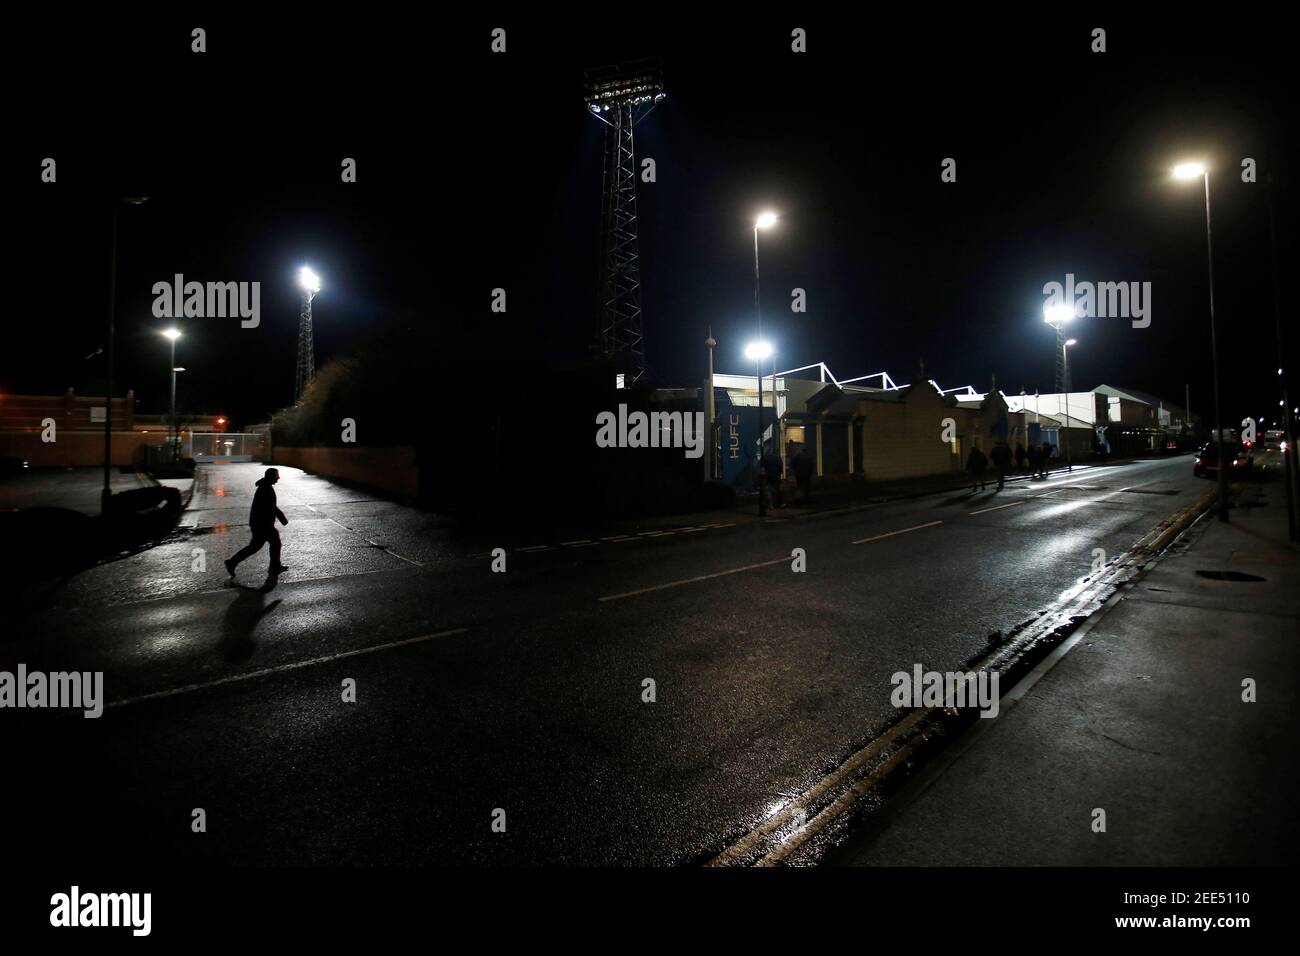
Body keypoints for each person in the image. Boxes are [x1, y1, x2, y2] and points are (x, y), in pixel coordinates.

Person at [225, 467, 289, 578]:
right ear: (271, 476)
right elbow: (271, 507)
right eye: (276, 475)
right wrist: (283, 519)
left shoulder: (265, 486)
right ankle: (274, 567)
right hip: (262, 524)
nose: (278, 478)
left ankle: (232, 562)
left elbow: (271, 506)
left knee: (256, 546)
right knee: (271, 543)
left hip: (260, 523)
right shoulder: (265, 488)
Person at [761, 442, 784, 509]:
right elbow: (780, 466)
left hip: (768, 475)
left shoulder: (766, 457)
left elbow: (762, 466)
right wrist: (780, 473)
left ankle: (771, 505)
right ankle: (778, 504)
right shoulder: (777, 457)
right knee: (777, 490)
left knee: (769, 490)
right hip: (776, 476)